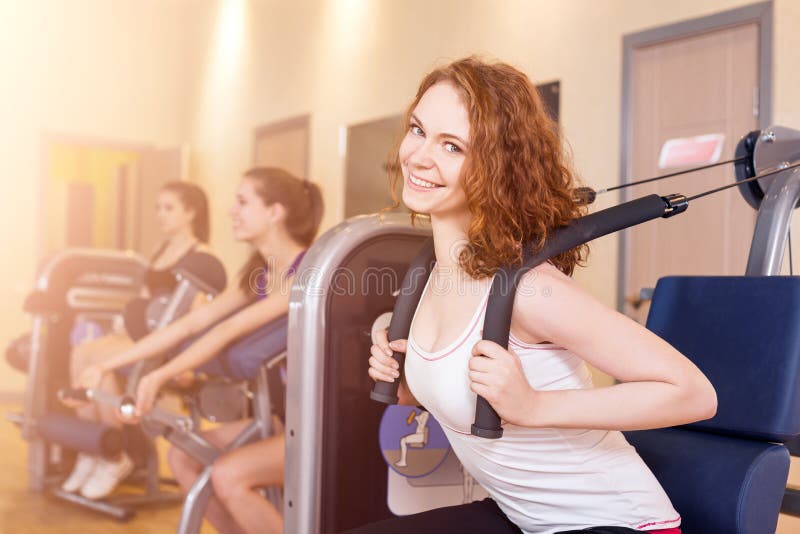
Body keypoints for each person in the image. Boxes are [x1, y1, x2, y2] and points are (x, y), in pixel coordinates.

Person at [361, 57, 717, 534]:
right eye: (418, 130)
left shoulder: (530, 289)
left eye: (452, 146)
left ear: (495, 167)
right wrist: (404, 376)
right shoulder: (429, 278)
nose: (420, 157)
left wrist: (534, 407)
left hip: (617, 524)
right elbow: (454, 399)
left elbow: (694, 394)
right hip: (527, 522)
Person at [71, 168, 323, 534]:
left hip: (316, 424)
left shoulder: (307, 273)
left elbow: (227, 329)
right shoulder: (260, 273)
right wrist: (107, 364)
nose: (231, 211)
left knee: (227, 476)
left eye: (242, 202)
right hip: (283, 417)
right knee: (183, 457)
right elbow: (188, 325)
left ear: (275, 212)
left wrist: (159, 376)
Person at [63, 180, 212, 499]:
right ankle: (92, 448)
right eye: (158, 207)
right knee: (82, 353)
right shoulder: (160, 250)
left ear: (191, 212)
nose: (160, 214)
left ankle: (113, 456)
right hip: (141, 335)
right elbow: (144, 302)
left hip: (169, 344)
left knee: (99, 365)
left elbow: (197, 317)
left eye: (168, 208)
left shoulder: (201, 256)